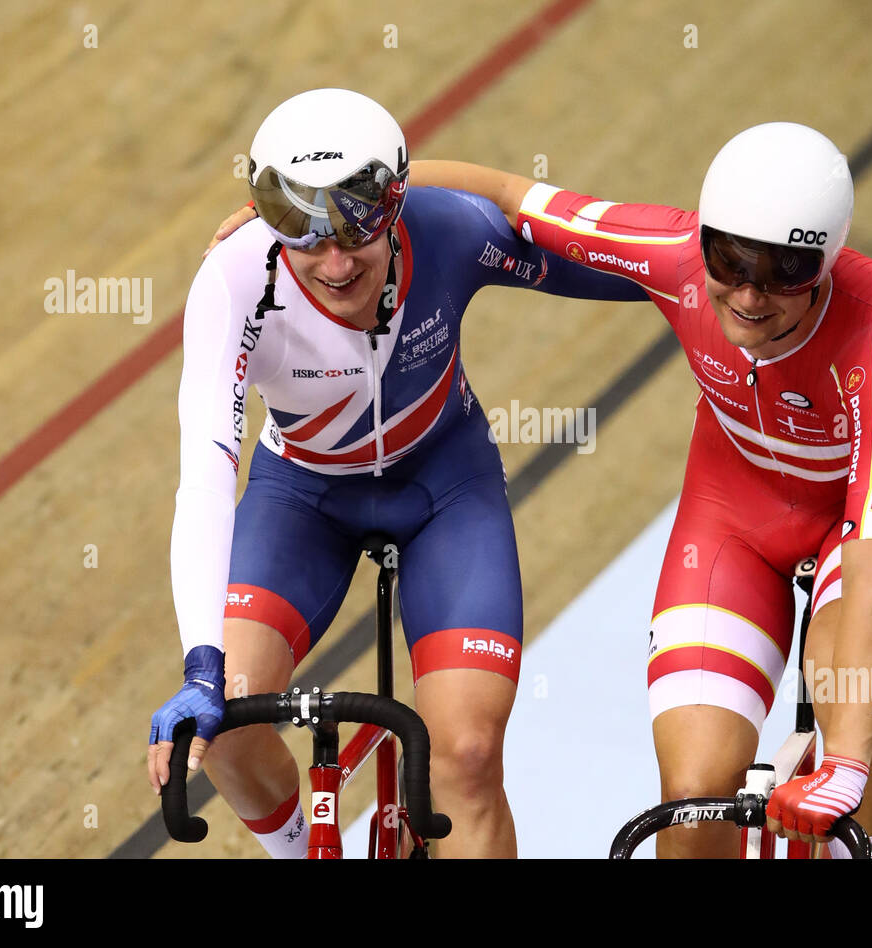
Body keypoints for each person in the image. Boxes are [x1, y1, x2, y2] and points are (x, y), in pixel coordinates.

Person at [404, 123, 872, 859]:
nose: (752, 296)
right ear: (704, 242)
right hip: (732, 515)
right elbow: (511, 194)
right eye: (731, 261)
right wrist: (318, 209)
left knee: (840, 674)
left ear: (826, 262)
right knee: (694, 799)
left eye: (784, 271)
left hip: (862, 523)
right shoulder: (670, 252)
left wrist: (846, 766)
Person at [148, 88, 646, 858]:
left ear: (396, 203)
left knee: (469, 757)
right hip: (302, 496)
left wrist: (729, 265)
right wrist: (200, 664)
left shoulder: (449, 227)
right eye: (308, 236)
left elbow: (630, 267)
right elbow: (205, 473)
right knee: (231, 728)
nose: (336, 262)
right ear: (273, 220)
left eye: (358, 229)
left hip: (444, 490)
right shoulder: (234, 280)